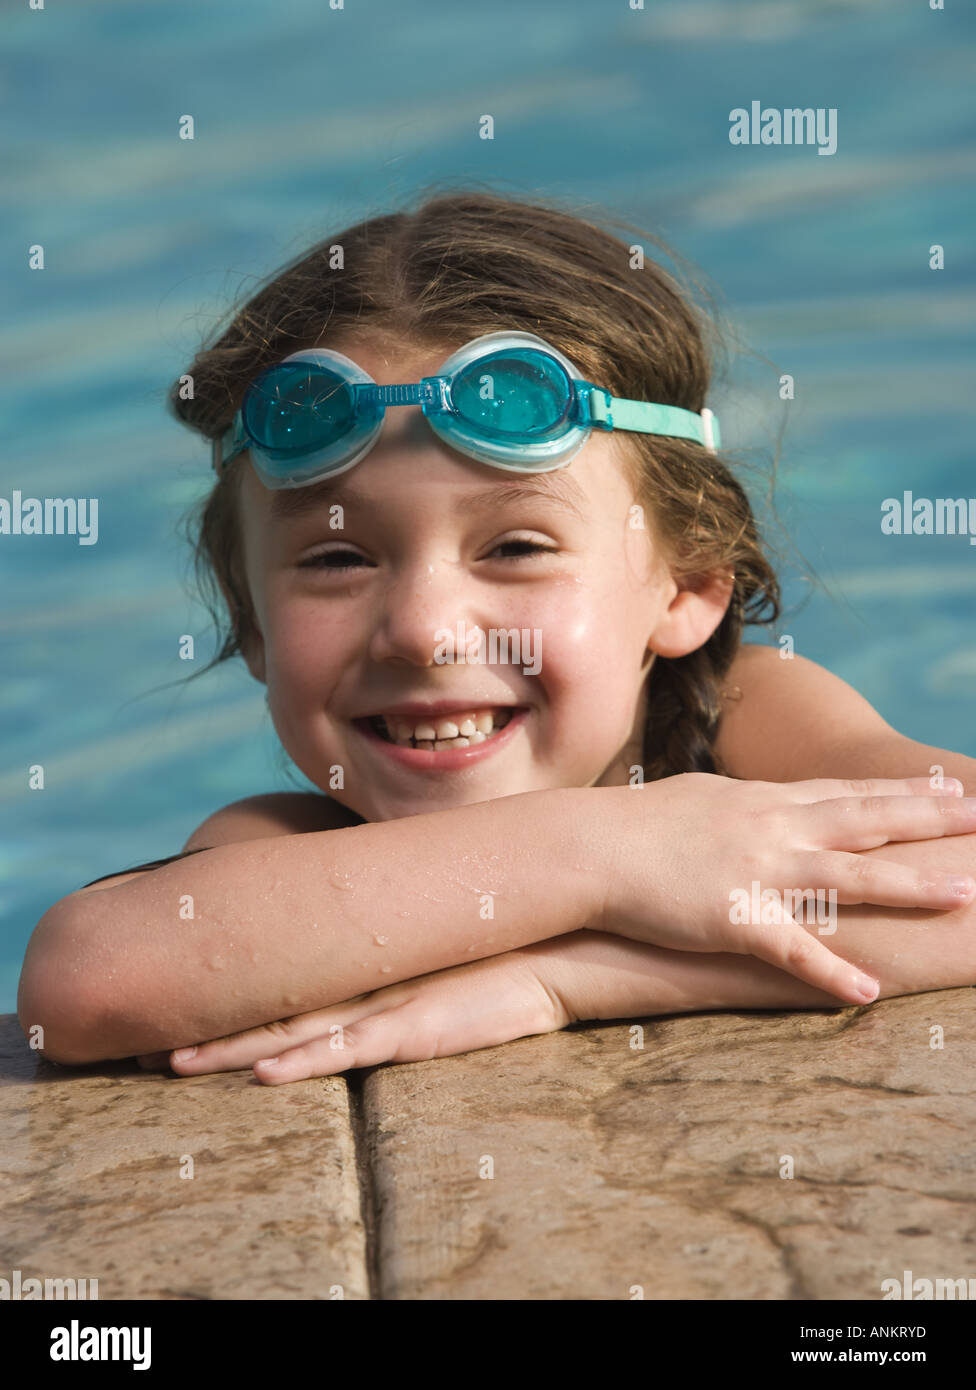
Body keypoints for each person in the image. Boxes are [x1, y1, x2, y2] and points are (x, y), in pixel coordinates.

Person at [17, 189, 976, 1084]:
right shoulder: (292, 840)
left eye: (516, 546)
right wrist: (606, 860)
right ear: (249, 619)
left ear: (686, 587)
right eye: (336, 561)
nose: (423, 632)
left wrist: (574, 976)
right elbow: (87, 984)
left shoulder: (749, 717)